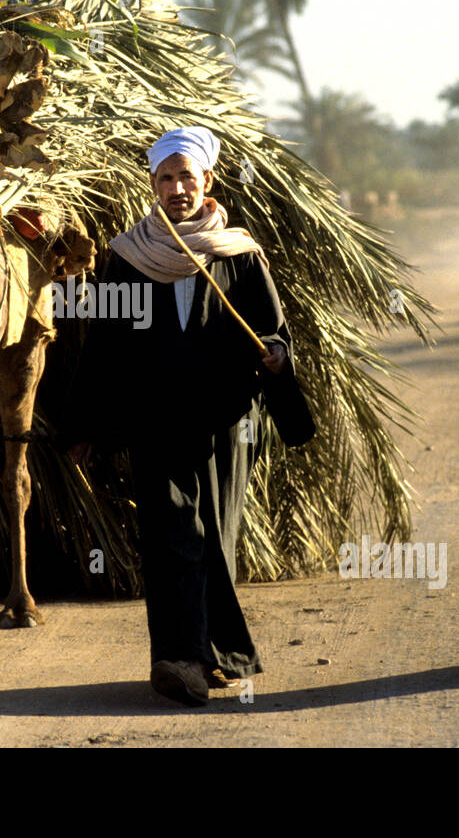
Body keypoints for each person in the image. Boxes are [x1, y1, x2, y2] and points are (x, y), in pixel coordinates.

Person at [64, 126, 315, 707]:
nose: (178, 188)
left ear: (208, 179)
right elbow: (104, 348)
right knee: (173, 536)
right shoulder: (128, 258)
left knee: (214, 541)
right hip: (154, 422)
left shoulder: (238, 254)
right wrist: (86, 429)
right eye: (166, 178)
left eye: (187, 176)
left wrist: (277, 354)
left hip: (225, 425)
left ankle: (214, 655)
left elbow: (272, 331)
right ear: (152, 184)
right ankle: (184, 659)